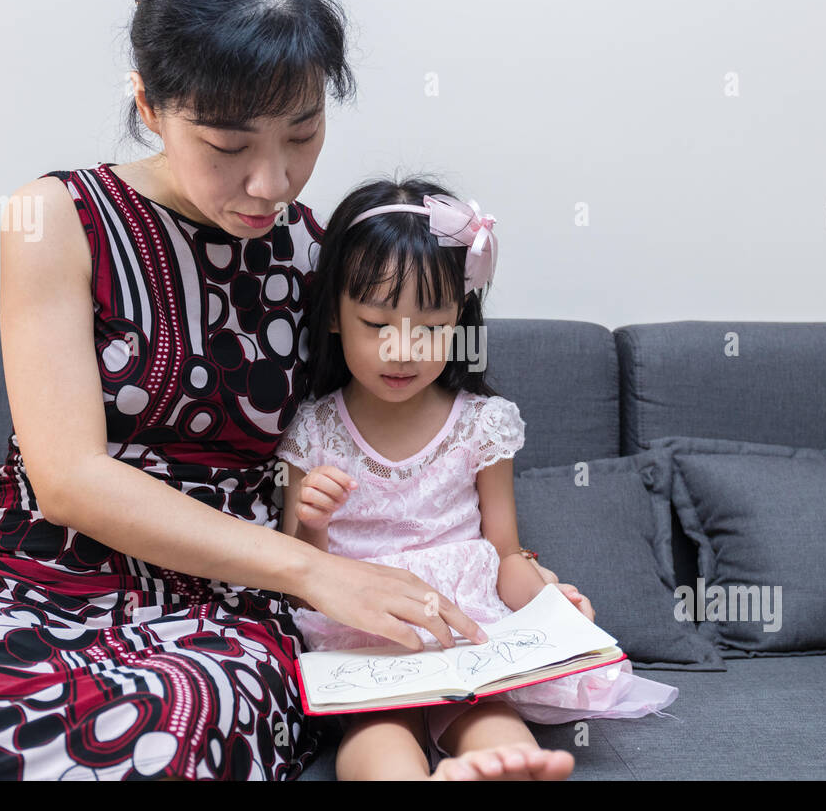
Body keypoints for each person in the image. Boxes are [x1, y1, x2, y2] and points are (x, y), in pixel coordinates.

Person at [0, 0, 515, 781]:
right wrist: (312, 571)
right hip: (39, 564)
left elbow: (393, 430)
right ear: (148, 105)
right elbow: (69, 477)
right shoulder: (57, 219)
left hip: (228, 595)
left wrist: (491, 574)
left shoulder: (318, 253)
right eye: (228, 146)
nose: (272, 182)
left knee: (168, 740)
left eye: (303, 134)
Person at [274, 177, 680, 780]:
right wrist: (313, 520)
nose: (403, 350)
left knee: (492, 715)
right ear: (334, 315)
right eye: (378, 324)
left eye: (431, 326)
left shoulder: (482, 426)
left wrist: (550, 608)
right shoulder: (312, 429)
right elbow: (296, 575)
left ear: (460, 321)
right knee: (381, 727)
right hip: (366, 627)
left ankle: (497, 768)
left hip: (468, 630)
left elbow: (506, 554)